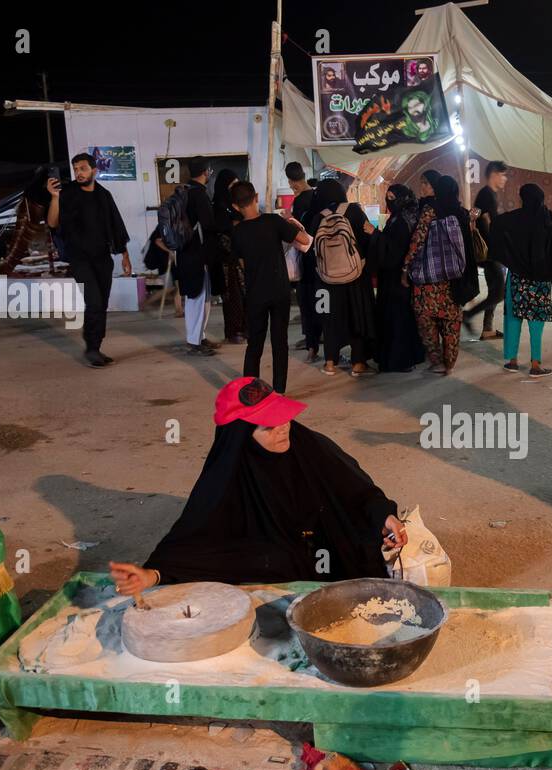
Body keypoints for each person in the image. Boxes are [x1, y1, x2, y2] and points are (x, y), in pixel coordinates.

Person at [109, 377, 409, 591]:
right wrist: (153, 575)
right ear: (242, 437)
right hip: (273, 555)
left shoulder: (307, 447)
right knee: (270, 560)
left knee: (351, 548)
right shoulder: (228, 476)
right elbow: (195, 537)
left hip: (324, 546)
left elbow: (355, 491)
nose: (283, 429)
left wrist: (384, 518)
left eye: (284, 418)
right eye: (269, 425)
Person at [46, 152, 132, 367]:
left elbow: (116, 226)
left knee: (101, 304)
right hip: (79, 258)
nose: (78, 173)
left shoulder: (104, 195)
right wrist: (55, 197)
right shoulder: (67, 193)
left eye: (82, 168)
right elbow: (53, 223)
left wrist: (125, 256)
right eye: (75, 169)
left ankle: (97, 345)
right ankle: (91, 348)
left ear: (94, 170)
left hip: (102, 257)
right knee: (93, 301)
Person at [229, 180, 312, 392]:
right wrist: (290, 221)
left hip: (256, 293)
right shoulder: (274, 222)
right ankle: (279, 391)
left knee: (254, 343)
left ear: (236, 207)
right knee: (279, 342)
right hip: (279, 291)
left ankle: (251, 390)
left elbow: (241, 263)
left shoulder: (237, 233)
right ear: (256, 197)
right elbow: (303, 239)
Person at [490, 183, 552, 377]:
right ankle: (535, 365)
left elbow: (495, 226)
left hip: (517, 277)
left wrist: (509, 256)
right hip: (540, 280)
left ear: (522, 198)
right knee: (536, 322)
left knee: (513, 318)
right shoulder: (549, 219)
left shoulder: (512, 219)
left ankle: (512, 362)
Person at [404, 174, 477, 376]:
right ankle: (450, 363)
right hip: (454, 278)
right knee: (452, 323)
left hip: (429, 278)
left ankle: (436, 361)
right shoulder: (462, 213)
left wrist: (406, 266)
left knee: (426, 321)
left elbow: (418, 240)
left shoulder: (430, 210)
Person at [308, 178, 376, 377]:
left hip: (325, 280)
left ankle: (330, 362)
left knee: (329, 317)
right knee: (357, 315)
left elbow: (311, 250)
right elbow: (367, 238)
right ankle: (358, 363)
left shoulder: (317, 217)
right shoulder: (354, 211)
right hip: (354, 276)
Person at [368, 183, 427, 372]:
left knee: (397, 319)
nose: (389, 201)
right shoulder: (402, 216)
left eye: (392, 198)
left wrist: (374, 233)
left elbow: (395, 250)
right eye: (388, 197)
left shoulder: (401, 220)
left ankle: (399, 361)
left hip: (397, 278)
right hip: (395, 278)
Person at [176, 156, 219, 356]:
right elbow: (209, 224)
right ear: (206, 172)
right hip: (197, 253)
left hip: (186, 252)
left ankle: (199, 336)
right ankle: (194, 341)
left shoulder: (185, 192)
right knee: (197, 297)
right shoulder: (199, 195)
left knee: (202, 297)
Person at [463, 159, 509, 340]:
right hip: (490, 253)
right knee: (499, 292)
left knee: (495, 291)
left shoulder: (488, 194)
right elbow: (487, 223)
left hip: (491, 251)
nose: (505, 179)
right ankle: (468, 315)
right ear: (494, 174)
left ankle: (487, 329)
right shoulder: (486, 194)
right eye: (503, 175)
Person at [208, 168, 246, 345]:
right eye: (231, 185)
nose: (234, 188)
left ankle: (244, 329)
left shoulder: (233, 206)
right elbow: (221, 232)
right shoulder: (218, 207)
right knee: (232, 298)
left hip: (239, 258)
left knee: (244, 295)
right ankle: (234, 332)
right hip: (227, 260)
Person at [287, 162, 319, 357]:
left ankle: (311, 343)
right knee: (320, 300)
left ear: (294, 183)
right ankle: (319, 339)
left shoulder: (299, 202)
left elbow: (298, 232)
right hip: (321, 257)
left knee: (306, 301)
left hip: (306, 257)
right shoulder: (317, 196)